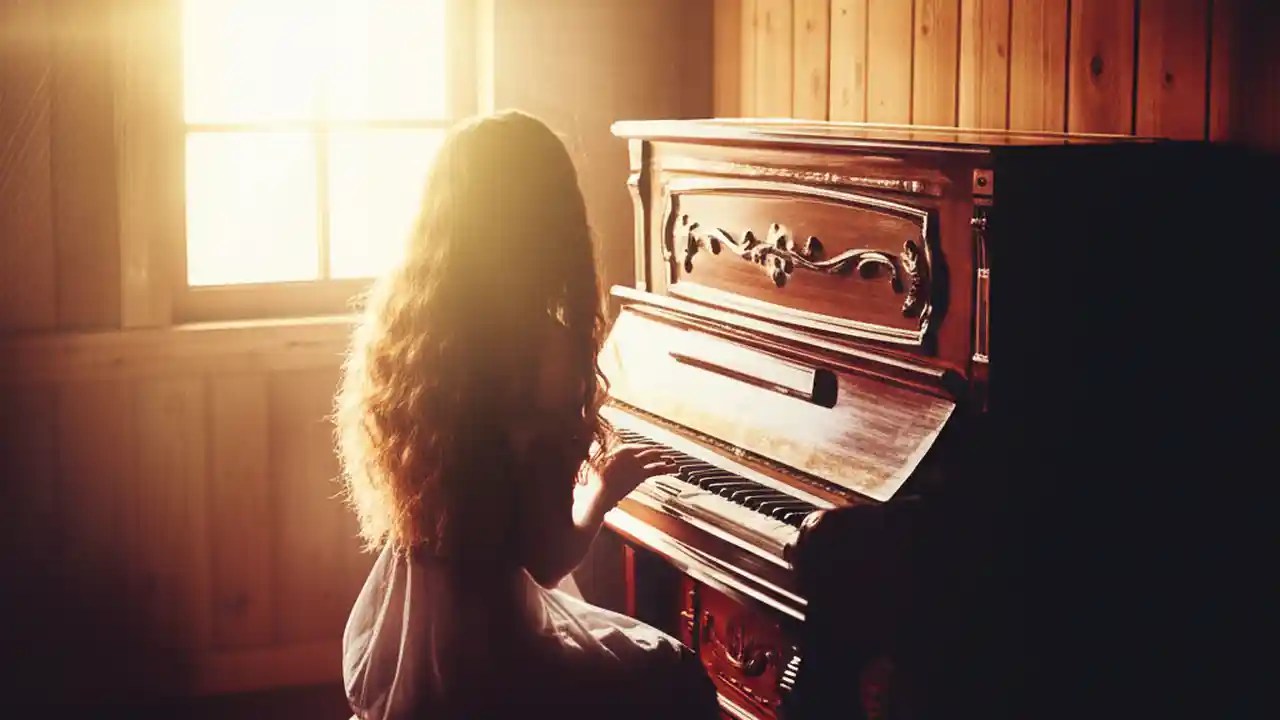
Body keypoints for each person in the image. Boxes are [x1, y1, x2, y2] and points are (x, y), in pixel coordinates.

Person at [333, 110, 720, 720]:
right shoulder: (544, 351)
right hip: (493, 662)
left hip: (404, 638)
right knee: (680, 679)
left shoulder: (408, 342)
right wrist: (602, 495)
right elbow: (546, 556)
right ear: (548, 224)